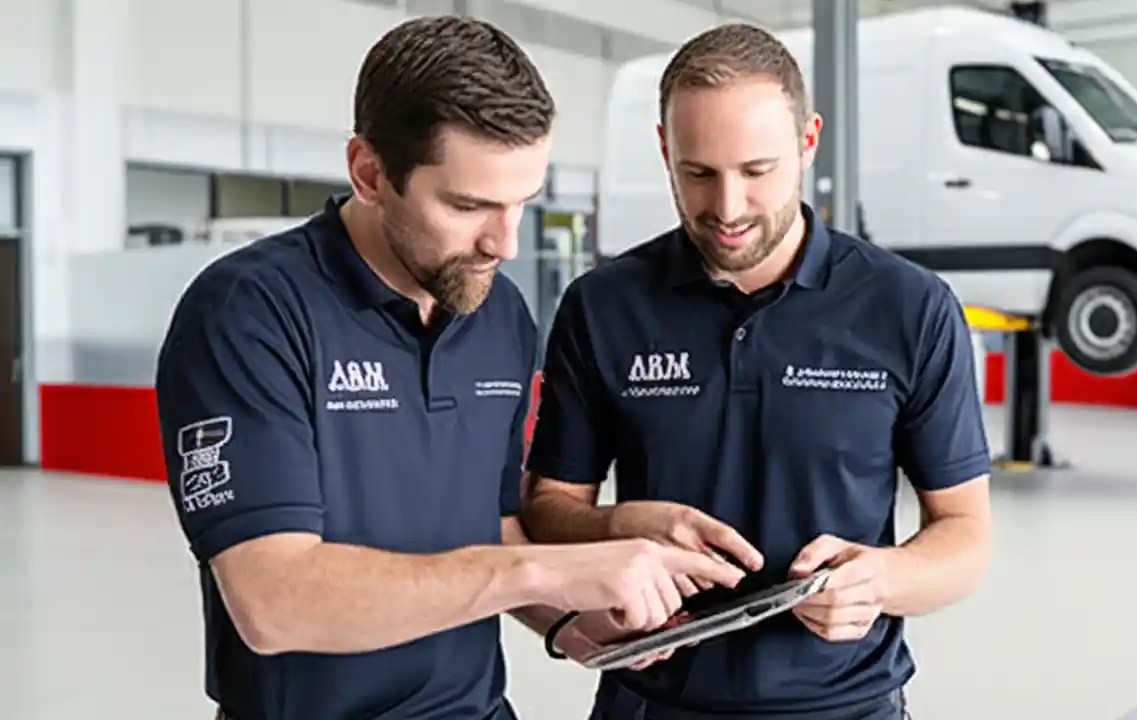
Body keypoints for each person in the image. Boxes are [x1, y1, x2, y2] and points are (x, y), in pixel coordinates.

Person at [153, 16, 745, 720]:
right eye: (468, 206)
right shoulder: (249, 313)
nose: (502, 241)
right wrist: (549, 567)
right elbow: (272, 602)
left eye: (520, 203)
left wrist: (570, 617)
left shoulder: (501, 315)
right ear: (370, 173)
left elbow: (493, 531)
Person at [522, 22, 993, 720]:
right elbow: (546, 508)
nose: (729, 208)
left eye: (757, 170)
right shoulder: (602, 307)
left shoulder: (909, 308)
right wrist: (619, 523)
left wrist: (883, 578)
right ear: (664, 149)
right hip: (649, 702)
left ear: (808, 142)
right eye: (698, 173)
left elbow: (965, 534)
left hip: (846, 706)